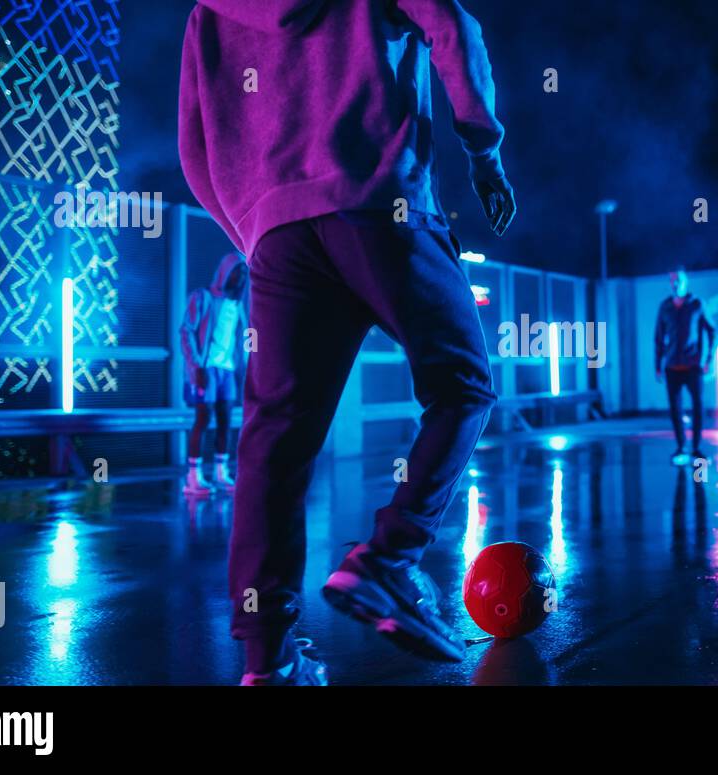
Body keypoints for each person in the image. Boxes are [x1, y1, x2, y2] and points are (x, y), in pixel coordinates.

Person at [179, 0, 516, 686]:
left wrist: (255, 222)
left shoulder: (207, 11)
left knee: (275, 439)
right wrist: (483, 147)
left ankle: (267, 659)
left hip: (277, 230)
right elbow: (452, 26)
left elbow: (192, 139)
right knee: (463, 387)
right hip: (378, 195)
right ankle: (388, 559)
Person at [179, 254, 248, 496]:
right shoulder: (203, 297)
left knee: (226, 422)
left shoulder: (237, 305)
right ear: (225, 272)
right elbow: (186, 331)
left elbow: (246, 337)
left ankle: (221, 473)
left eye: (242, 273)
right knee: (203, 420)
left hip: (227, 370)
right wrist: (196, 367)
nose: (239, 277)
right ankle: (192, 478)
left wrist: (249, 366)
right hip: (205, 367)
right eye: (235, 272)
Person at [654, 267, 716, 464]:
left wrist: (707, 359)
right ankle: (681, 446)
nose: (675, 284)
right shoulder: (664, 307)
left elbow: (711, 331)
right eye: (672, 280)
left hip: (693, 366)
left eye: (678, 280)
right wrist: (657, 364)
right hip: (672, 366)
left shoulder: (697, 304)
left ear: (685, 282)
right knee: (675, 409)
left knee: (698, 407)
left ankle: (697, 448)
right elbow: (658, 337)